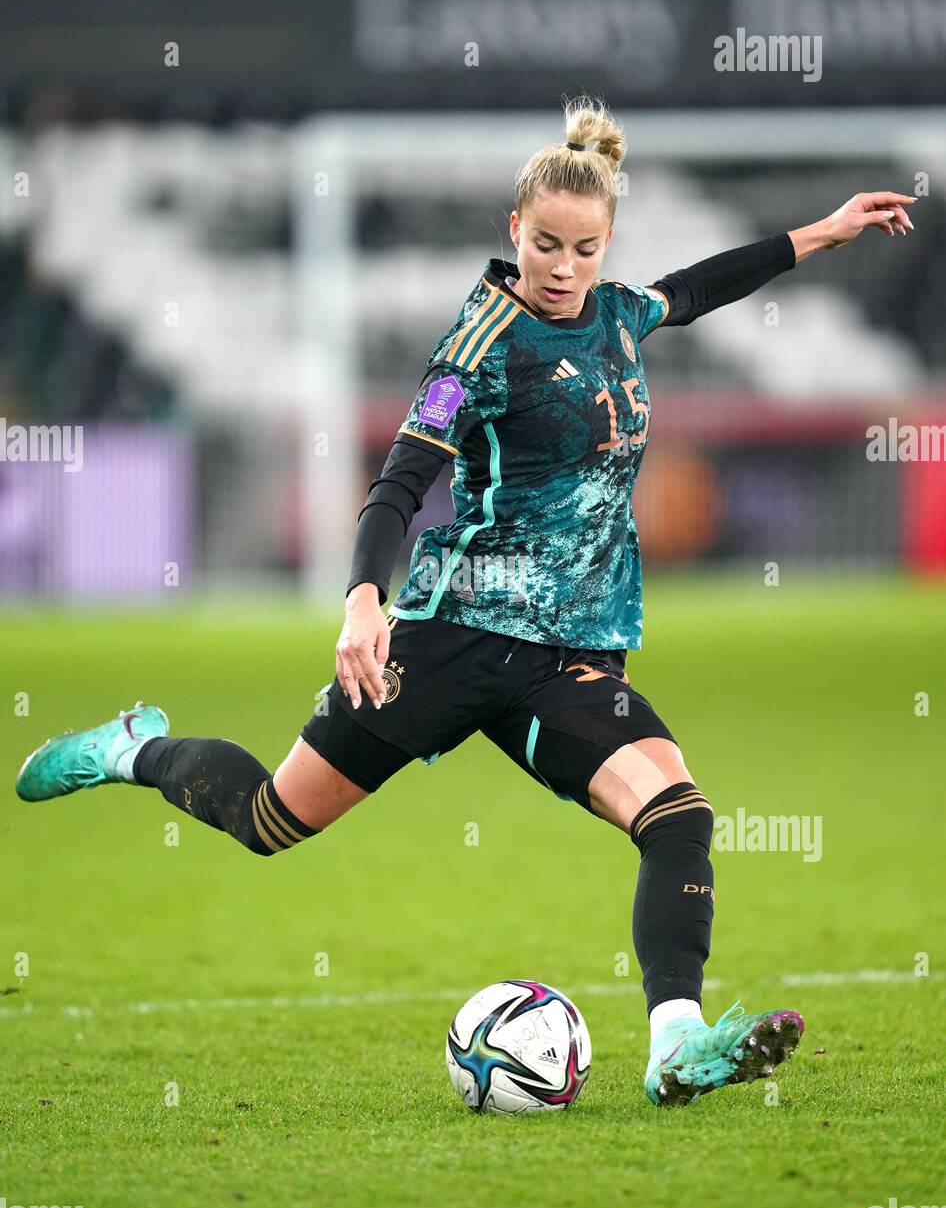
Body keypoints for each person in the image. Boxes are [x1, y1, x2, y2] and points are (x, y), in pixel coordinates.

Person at [16, 96, 916, 1107]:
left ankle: (676, 1042)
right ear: (512, 234)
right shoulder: (475, 345)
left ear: (606, 242)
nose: (562, 266)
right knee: (272, 820)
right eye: (544, 245)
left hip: (564, 654)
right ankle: (131, 748)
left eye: (582, 248)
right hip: (446, 636)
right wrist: (364, 595)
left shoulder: (622, 312)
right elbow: (402, 474)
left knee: (677, 814)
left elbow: (694, 288)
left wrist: (820, 232)